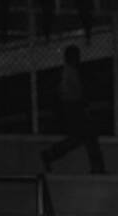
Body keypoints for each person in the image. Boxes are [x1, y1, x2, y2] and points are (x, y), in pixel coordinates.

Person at [41, 45, 107, 175]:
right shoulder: (69, 73)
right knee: (84, 137)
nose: (79, 59)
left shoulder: (70, 72)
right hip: (73, 109)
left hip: (73, 108)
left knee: (82, 138)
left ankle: (51, 154)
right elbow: (70, 93)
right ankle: (97, 168)